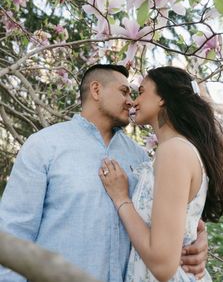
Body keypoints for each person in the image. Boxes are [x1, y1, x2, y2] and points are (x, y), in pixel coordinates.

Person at [0, 64, 208, 282]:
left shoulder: (142, 159)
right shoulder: (44, 146)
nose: (131, 101)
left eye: (134, 93)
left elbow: (176, 218)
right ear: (96, 90)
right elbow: (13, 231)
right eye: (124, 91)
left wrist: (200, 238)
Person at [100, 66, 223, 282]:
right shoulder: (176, 150)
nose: (133, 101)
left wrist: (121, 199)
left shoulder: (174, 151)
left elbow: (162, 265)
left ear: (162, 98)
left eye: (141, 91)